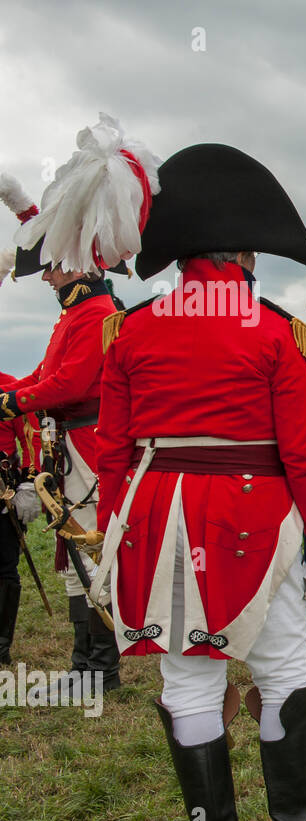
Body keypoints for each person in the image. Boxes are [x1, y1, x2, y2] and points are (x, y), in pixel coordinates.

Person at [92, 140, 306, 821]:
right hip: (254, 519)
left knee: (187, 678)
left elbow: (113, 453)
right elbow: (303, 452)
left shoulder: (131, 329)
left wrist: (118, 538)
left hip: (155, 519)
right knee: (283, 666)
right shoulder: (275, 330)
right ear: (244, 252)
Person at [0, 152, 133, 691]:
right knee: (78, 549)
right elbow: (41, 376)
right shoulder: (75, 314)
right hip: (75, 442)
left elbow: (70, 385)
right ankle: (87, 663)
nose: (47, 274)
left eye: (53, 264)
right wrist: (10, 391)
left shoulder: (97, 314)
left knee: (92, 548)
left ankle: (101, 666)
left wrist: (12, 404)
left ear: (77, 265)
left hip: (91, 442)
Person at [0, 376, 40, 665]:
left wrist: (29, 482)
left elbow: (31, 437)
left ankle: (0, 646)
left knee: (3, 566)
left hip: (2, 490)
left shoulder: (10, 388)